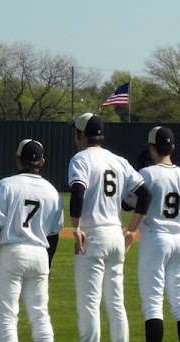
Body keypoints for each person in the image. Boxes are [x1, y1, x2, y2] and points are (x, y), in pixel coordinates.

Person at [68, 112, 151, 342]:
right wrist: (132, 230)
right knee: (116, 303)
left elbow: (77, 193)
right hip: (115, 234)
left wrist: (75, 229)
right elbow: (145, 194)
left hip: (93, 236)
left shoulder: (81, 158)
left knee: (89, 304)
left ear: (82, 134)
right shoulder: (118, 160)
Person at [0, 139, 63, 342]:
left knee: (7, 318)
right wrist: (49, 265)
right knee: (40, 317)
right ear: (42, 162)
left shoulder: (6, 185)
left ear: (17, 160)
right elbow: (54, 236)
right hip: (40, 254)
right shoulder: (52, 192)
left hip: (12, 253)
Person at [135, 126, 180, 342]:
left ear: (152, 148)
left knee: (153, 304)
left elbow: (128, 204)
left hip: (155, 238)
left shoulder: (147, 174)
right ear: (173, 147)